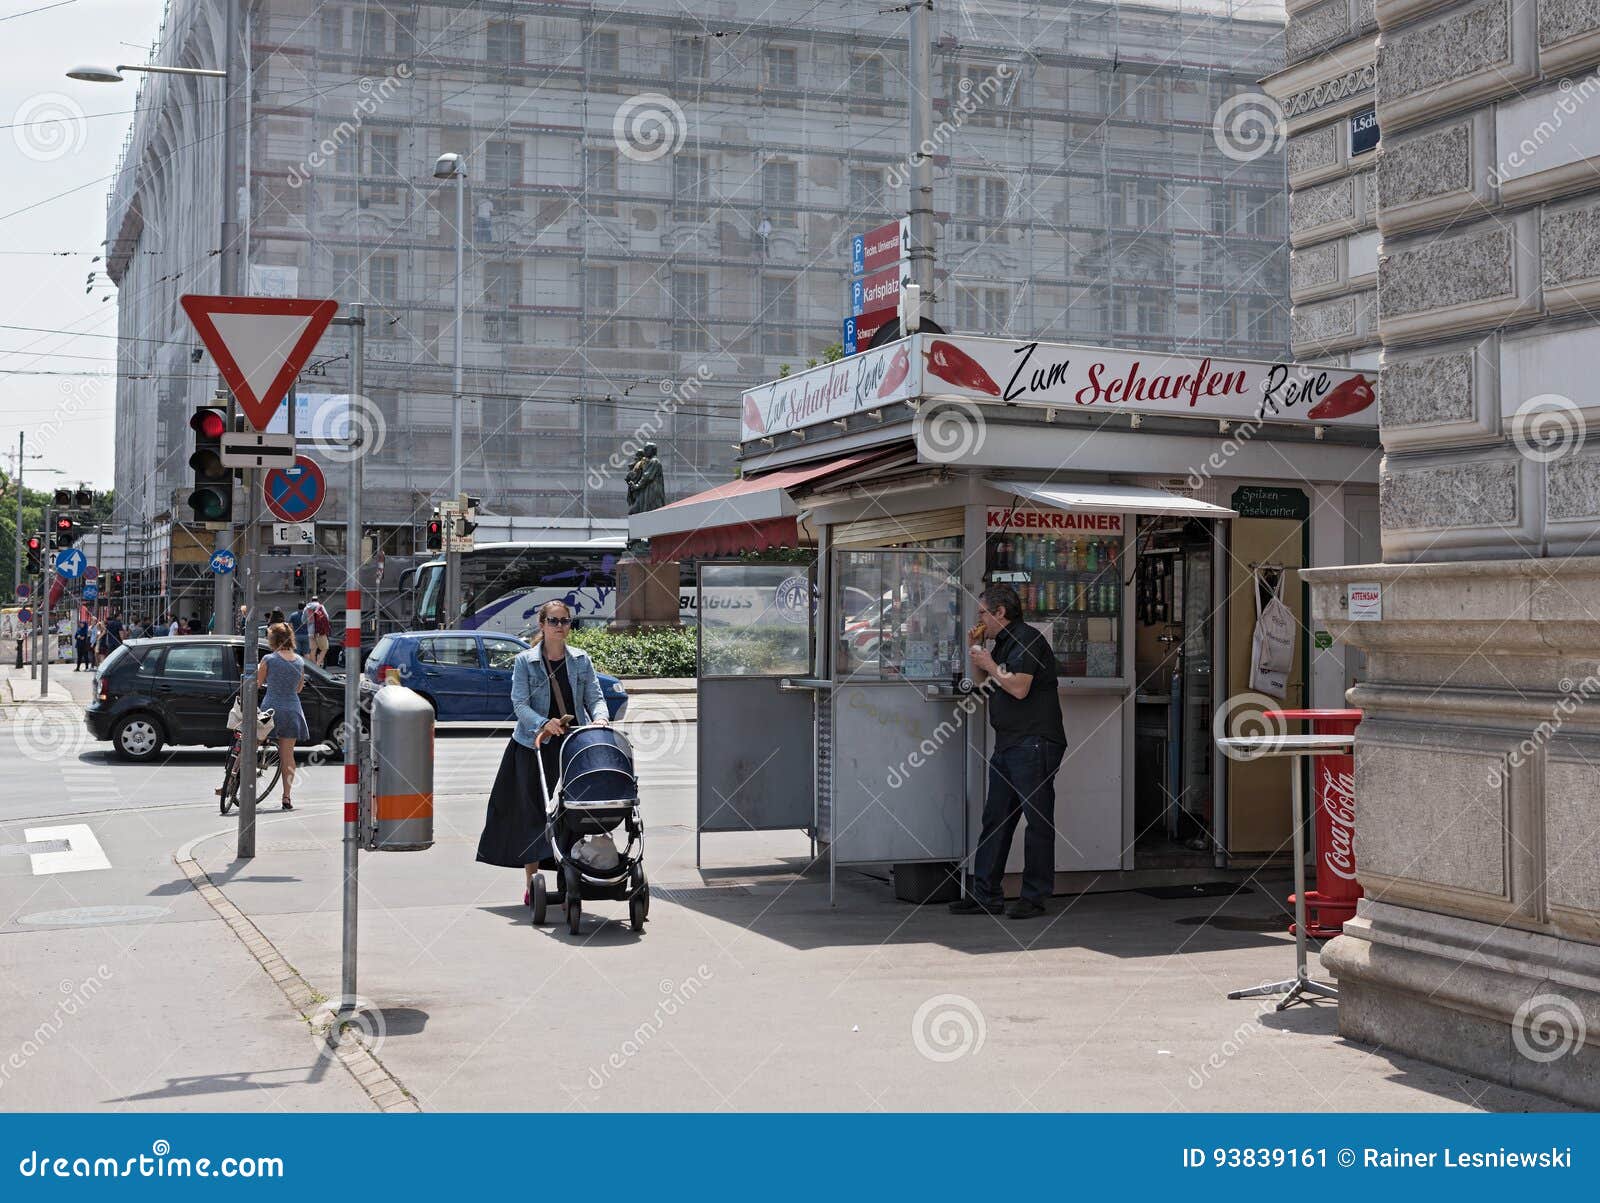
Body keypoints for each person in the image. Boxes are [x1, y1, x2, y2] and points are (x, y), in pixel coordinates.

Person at [477, 599, 609, 906]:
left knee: (573, 811)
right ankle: (531, 881)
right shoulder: (526, 661)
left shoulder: (580, 659)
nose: (560, 627)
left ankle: (570, 873)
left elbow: (596, 697)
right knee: (534, 813)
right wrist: (543, 724)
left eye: (565, 621)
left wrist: (600, 718)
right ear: (542, 624)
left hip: (573, 747)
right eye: (554, 621)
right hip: (533, 747)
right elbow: (520, 704)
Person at [950, 583, 1067, 920]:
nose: (980, 619)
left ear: (1000, 612)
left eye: (983, 613)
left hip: (1034, 742)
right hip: (1009, 741)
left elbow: (1018, 687)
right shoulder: (999, 642)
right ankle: (986, 894)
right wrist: (976, 651)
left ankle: (1034, 897)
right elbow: (981, 684)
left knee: (1037, 822)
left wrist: (988, 660)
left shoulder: (1027, 639)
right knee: (996, 818)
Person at [256, 621, 310, 811]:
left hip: (269, 710)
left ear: (273, 639)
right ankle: (286, 797)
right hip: (293, 710)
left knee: (249, 743)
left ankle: (230, 781)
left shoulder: (269, 660)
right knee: (287, 756)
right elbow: (299, 688)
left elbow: (256, 683)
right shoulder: (299, 661)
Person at [306, 596, 331, 666]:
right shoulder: (320, 606)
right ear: (317, 600)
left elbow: (303, 620)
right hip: (319, 632)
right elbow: (326, 617)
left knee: (313, 649)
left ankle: (314, 667)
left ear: (311, 600)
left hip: (310, 632)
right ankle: (318, 664)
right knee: (325, 648)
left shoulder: (307, 608)